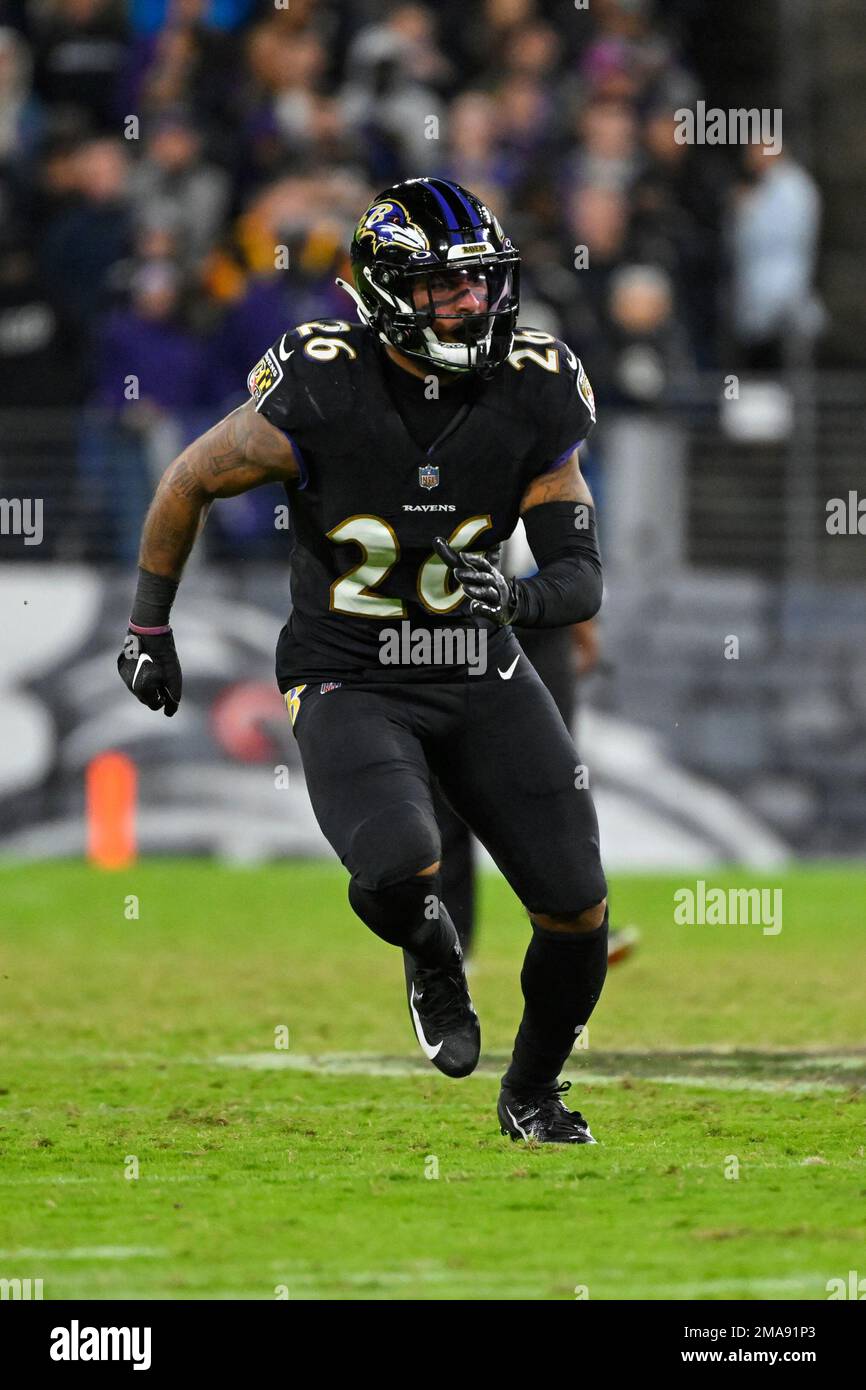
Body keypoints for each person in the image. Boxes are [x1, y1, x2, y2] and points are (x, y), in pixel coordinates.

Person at [118, 177, 609, 1145]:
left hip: (476, 664)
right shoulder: (320, 379)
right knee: (396, 865)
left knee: (577, 909)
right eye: (443, 287)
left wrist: (515, 598)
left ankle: (533, 1095)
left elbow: (579, 574)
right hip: (350, 667)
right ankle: (429, 944)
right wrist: (147, 629)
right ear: (384, 292)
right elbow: (188, 480)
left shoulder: (535, 384)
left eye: (479, 282)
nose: (472, 303)